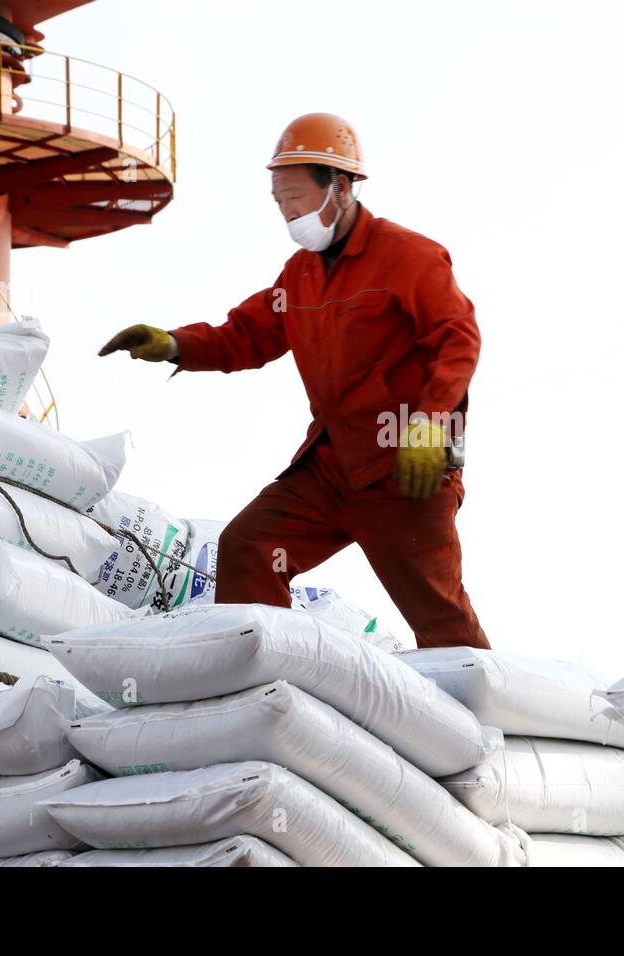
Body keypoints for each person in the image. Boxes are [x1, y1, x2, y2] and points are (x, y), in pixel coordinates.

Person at [99, 113, 488, 649]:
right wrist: (173, 344)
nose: (288, 212)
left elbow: (457, 338)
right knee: (249, 547)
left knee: (439, 618)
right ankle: (265, 684)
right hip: (328, 468)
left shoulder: (410, 258)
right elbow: (245, 337)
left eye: (297, 198)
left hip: (402, 467)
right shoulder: (299, 275)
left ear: (342, 187)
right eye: (280, 201)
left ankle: (486, 725)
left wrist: (427, 425)